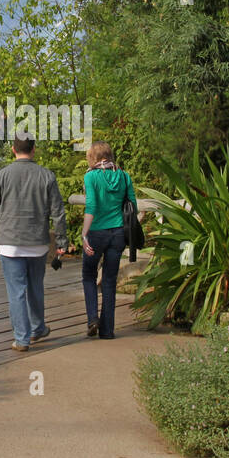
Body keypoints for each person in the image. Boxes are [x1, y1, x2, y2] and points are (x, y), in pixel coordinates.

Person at [0, 132, 68, 352]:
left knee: (16, 291)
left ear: (13, 149)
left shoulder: (1, 175)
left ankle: (21, 338)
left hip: (9, 243)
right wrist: (61, 241)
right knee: (36, 287)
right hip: (37, 242)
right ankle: (38, 328)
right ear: (33, 149)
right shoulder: (46, 175)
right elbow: (58, 212)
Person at [81, 140, 137, 340]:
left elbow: (91, 205)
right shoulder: (124, 176)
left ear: (93, 158)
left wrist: (84, 233)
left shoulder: (91, 177)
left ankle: (92, 319)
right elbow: (132, 204)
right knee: (110, 281)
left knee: (88, 275)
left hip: (96, 233)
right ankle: (107, 330)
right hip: (118, 234)